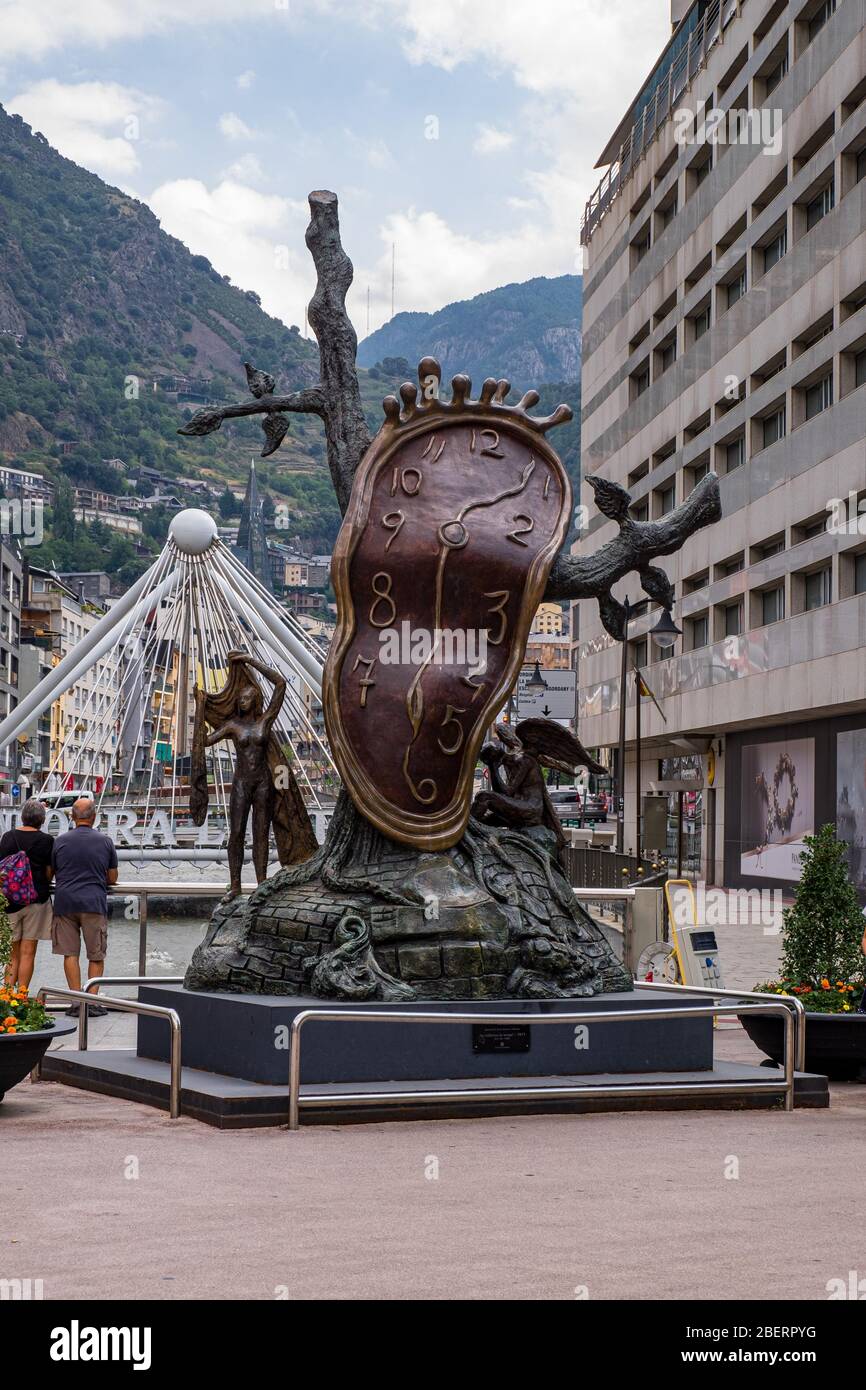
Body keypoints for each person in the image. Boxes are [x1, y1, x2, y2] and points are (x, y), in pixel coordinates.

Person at [51, 797, 118, 1016]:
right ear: (94, 816)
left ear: (72, 816)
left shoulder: (60, 841)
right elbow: (112, 876)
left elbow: (51, 872)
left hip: (65, 902)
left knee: (70, 954)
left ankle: (76, 1001)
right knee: (96, 954)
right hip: (93, 902)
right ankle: (92, 1001)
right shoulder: (105, 841)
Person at [0, 797, 54, 991]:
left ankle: (6, 998)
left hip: (9, 901)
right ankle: (22, 997)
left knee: (12, 953)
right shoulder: (47, 841)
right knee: (28, 951)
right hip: (36, 901)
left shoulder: (7, 837)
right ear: (42, 820)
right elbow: (49, 872)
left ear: (22, 817)